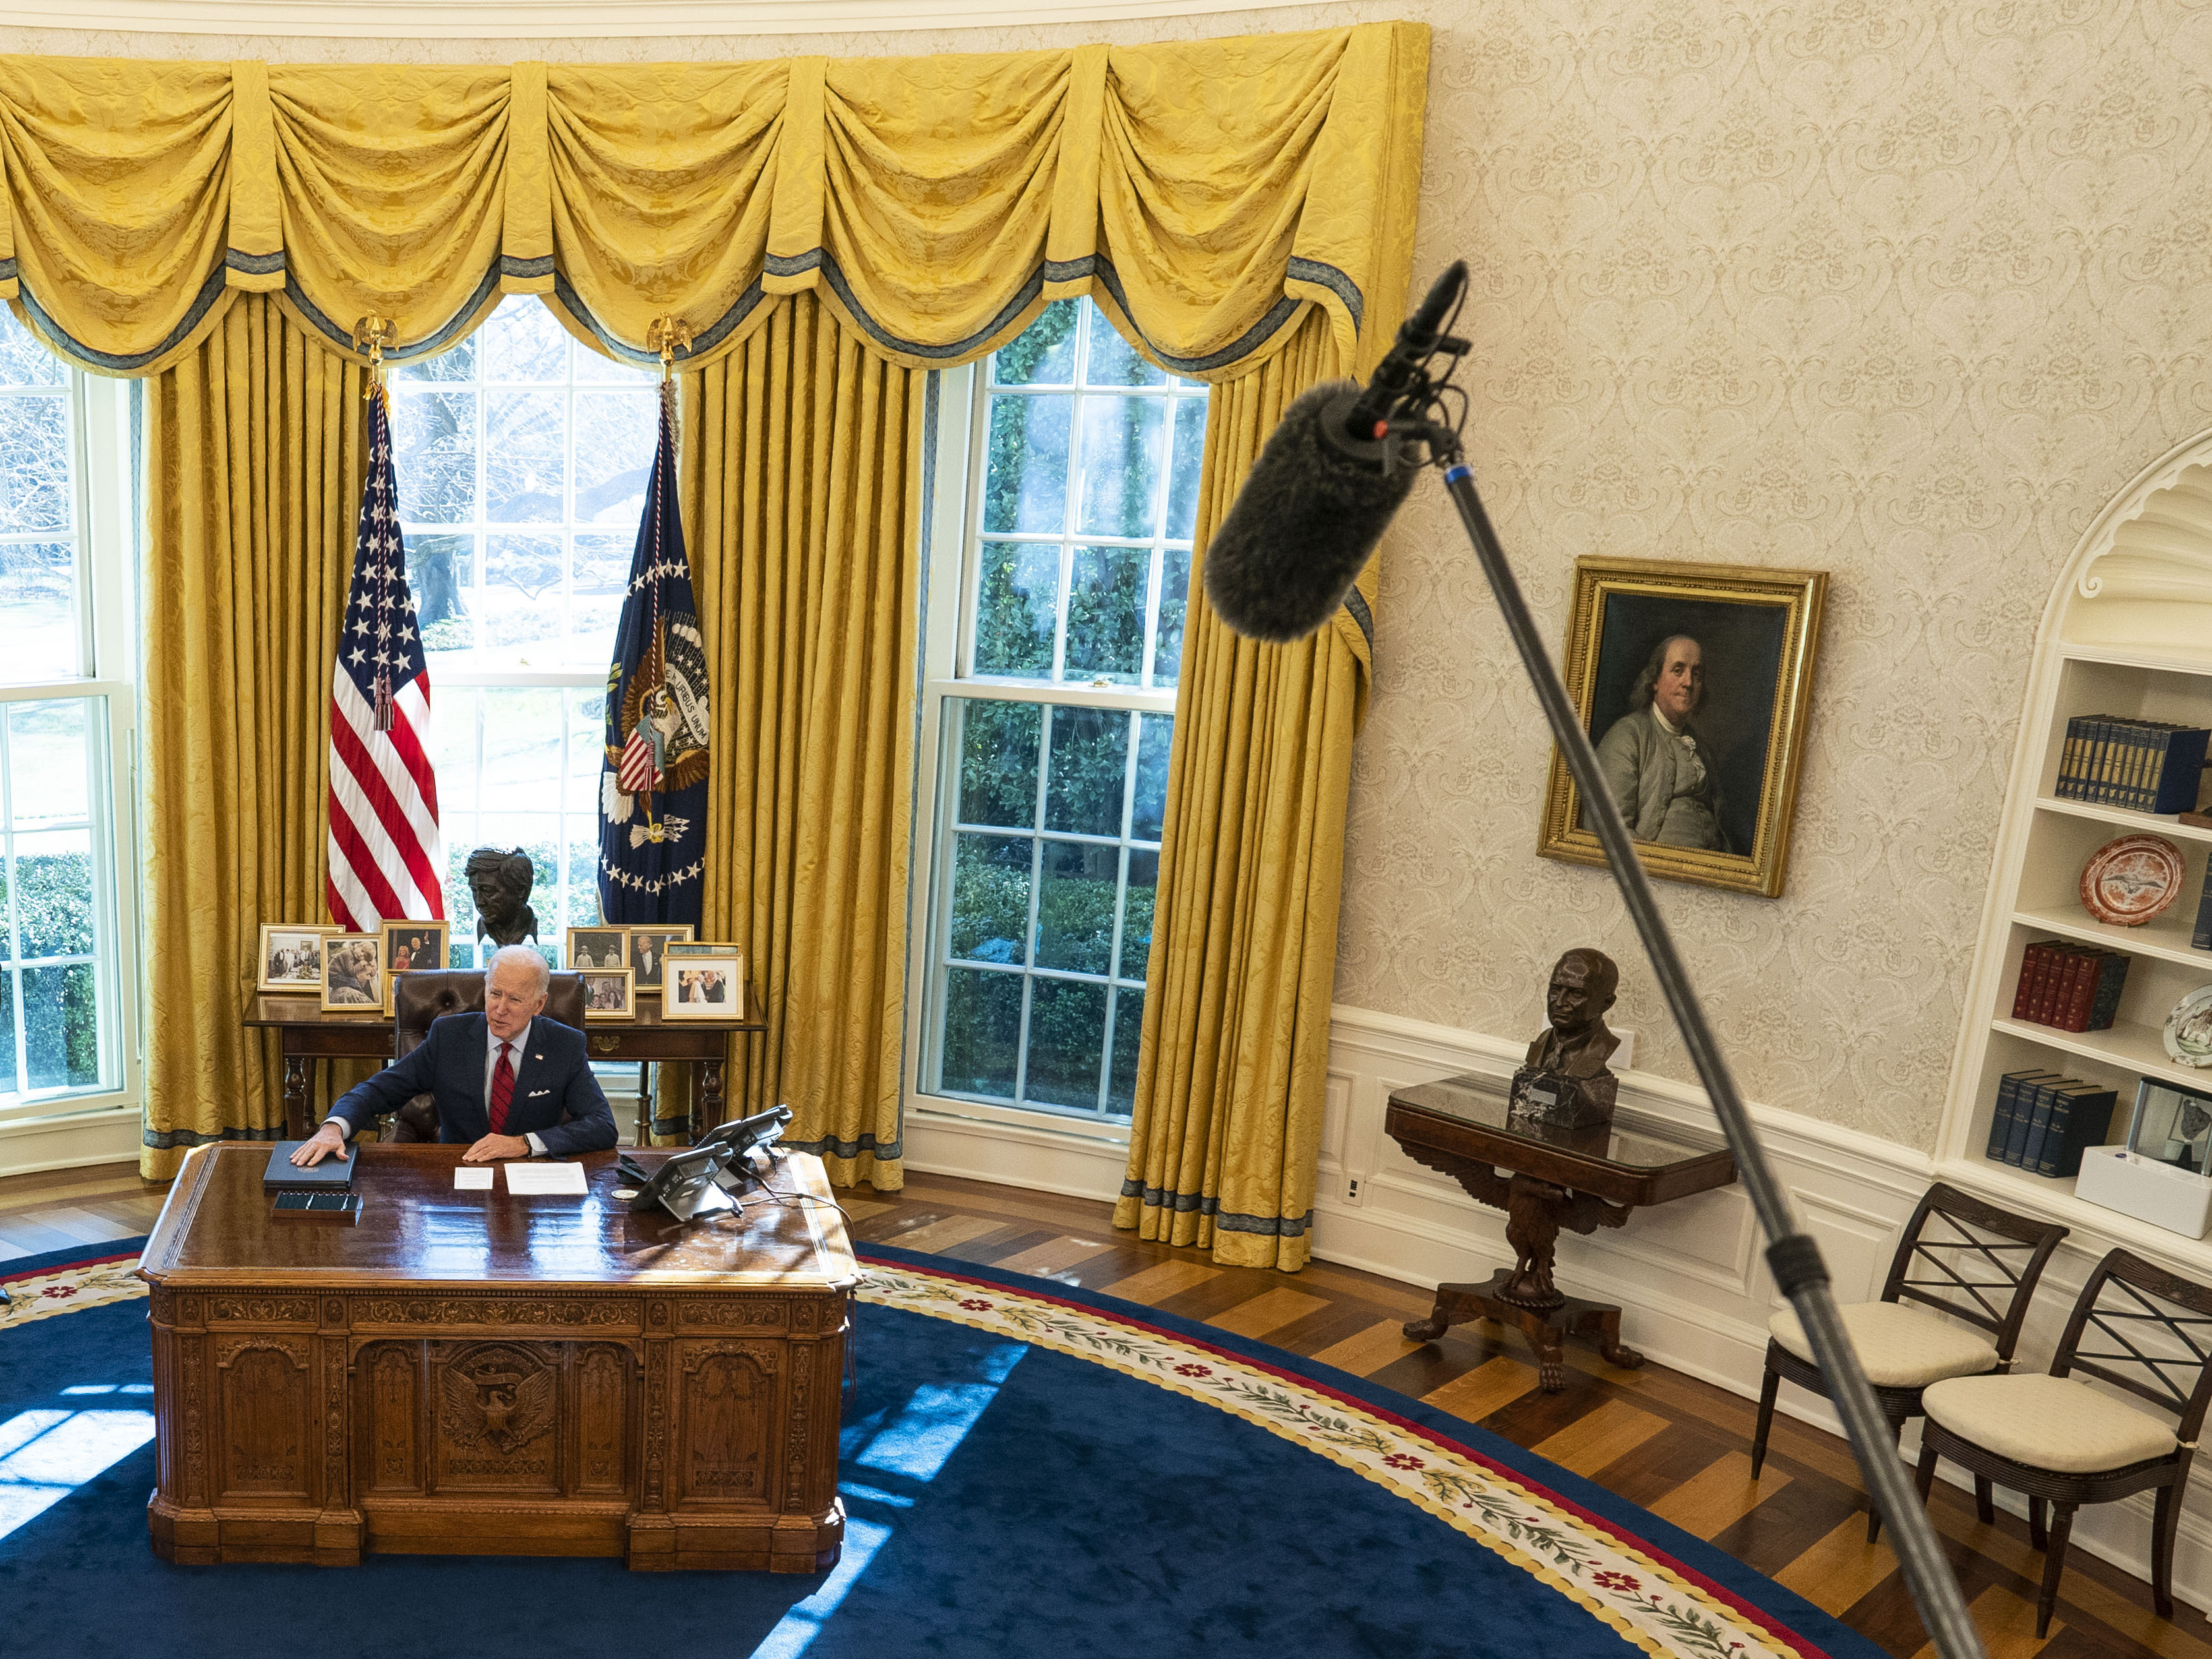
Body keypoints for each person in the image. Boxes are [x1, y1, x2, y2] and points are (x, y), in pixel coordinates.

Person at [291, 945, 616, 1165]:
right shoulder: (449, 1037)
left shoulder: (565, 1045)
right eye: (494, 993)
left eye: (515, 1000)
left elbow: (602, 1126)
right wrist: (334, 1127)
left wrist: (525, 1143)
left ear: (539, 1004)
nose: (499, 1009)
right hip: (459, 1174)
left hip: (532, 1178)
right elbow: (380, 1089)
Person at [1594, 634, 1729, 851]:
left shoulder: (1702, 749)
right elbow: (1609, 829)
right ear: (1655, 680)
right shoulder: (1629, 735)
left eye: (1697, 674)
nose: (1688, 683)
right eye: (1678, 671)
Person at [1523, 948, 1621, 1079]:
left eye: (1577, 994)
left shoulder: (1602, 1047)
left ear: (1606, 1003)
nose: (1559, 1002)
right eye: (1556, 990)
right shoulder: (1542, 1042)